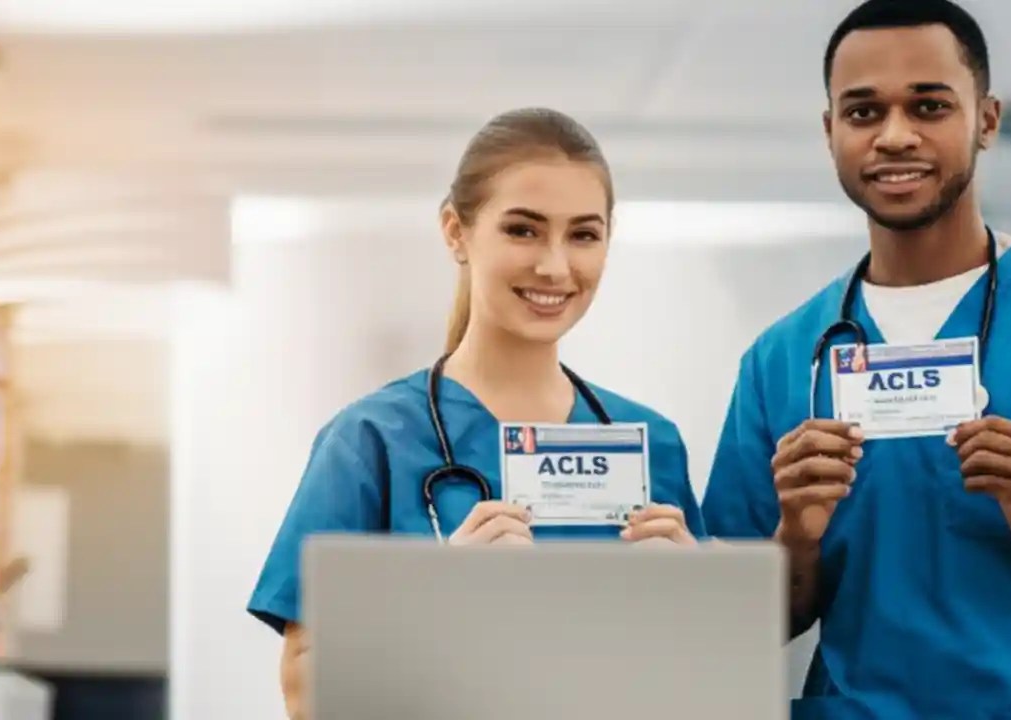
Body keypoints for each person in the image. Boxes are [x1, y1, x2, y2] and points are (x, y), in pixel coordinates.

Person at [701, 1, 1011, 718]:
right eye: (864, 112)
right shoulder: (782, 359)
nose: (895, 135)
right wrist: (795, 537)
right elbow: (730, 617)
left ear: (986, 120)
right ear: (831, 131)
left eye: (928, 106)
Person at [248, 107, 705, 720]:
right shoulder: (373, 440)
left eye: (583, 235)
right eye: (523, 230)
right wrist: (442, 605)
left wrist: (694, 614)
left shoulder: (651, 444)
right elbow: (305, 692)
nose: (555, 266)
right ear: (455, 232)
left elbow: (701, 683)